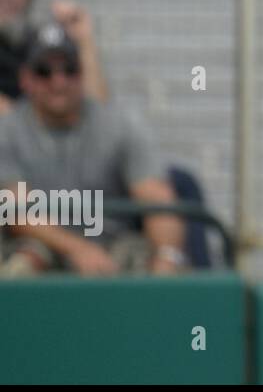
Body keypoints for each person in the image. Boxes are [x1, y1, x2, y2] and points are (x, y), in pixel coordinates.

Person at [0, 24, 185, 277]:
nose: (59, 81)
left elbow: (157, 198)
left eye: (70, 69)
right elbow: (19, 214)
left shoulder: (121, 124)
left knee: (157, 264)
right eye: (44, 71)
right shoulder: (7, 130)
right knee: (20, 265)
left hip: (113, 246)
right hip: (42, 246)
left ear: (82, 73)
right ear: (25, 78)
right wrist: (78, 249)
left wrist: (167, 257)